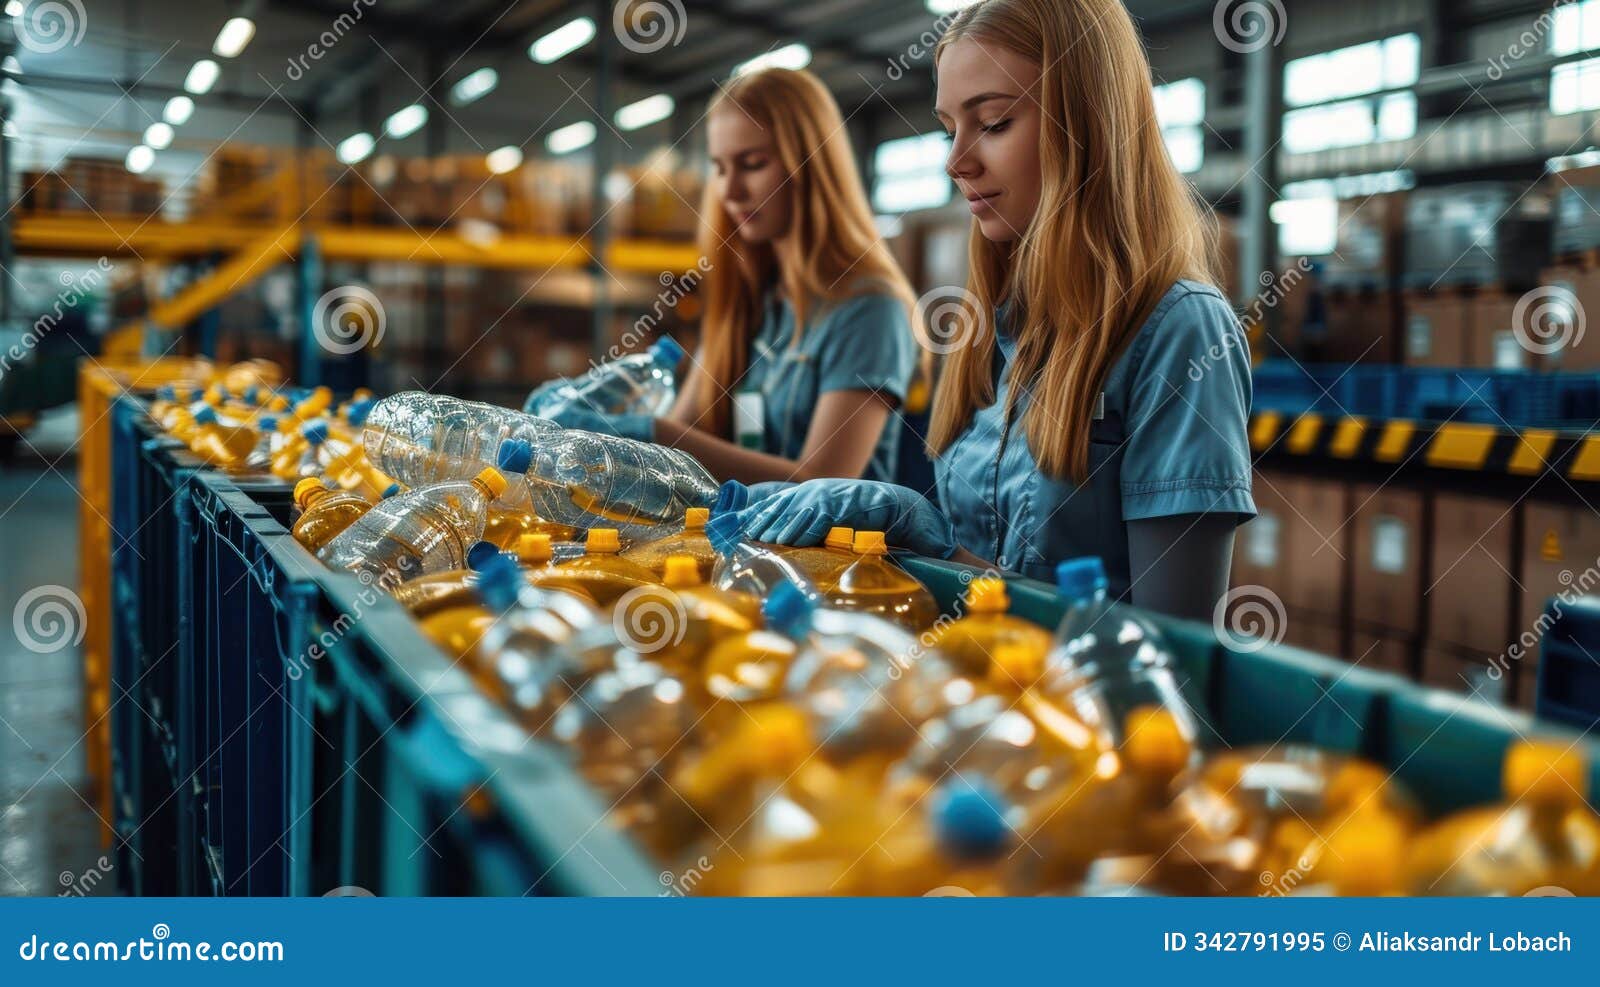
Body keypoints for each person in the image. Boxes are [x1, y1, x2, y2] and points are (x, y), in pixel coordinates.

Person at [726, 0, 1255, 621]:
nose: (957, 161)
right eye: (950, 128)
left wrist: (940, 547)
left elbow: (1171, 653)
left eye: (995, 122)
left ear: (1090, 124)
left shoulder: (1179, 330)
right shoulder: (995, 329)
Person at [539, 67, 920, 485]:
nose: (730, 191)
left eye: (753, 164)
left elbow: (823, 479)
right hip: (742, 543)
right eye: (719, 168)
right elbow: (686, 430)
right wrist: (608, 427)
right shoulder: (751, 302)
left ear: (812, 165)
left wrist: (655, 433)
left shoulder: (869, 310)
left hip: (839, 550)